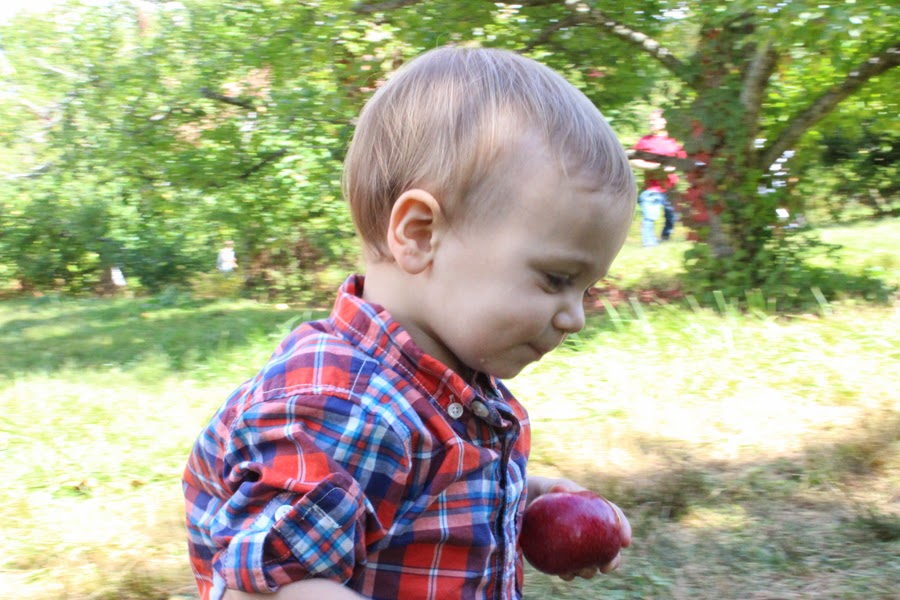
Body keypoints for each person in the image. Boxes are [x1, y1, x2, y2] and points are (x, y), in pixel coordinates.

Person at [183, 46, 635, 600]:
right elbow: (266, 586)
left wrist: (517, 504)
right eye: (555, 278)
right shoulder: (345, 409)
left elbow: (403, 504)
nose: (575, 317)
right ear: (420, 235)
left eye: (586, 289)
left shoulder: (440, 386)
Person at [631, 109, 685, 245]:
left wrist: (673, 167)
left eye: (654, 120)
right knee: (650, 216)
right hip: (652, 187)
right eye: (650, 120)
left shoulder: (674, 141)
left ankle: (665, 239)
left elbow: (682, 161)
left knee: (672, 217)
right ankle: (649, 245)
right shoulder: (645, 141)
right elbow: (633, 160)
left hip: (670, 187)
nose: (651, 123)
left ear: (664, 121)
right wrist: (652, 166)